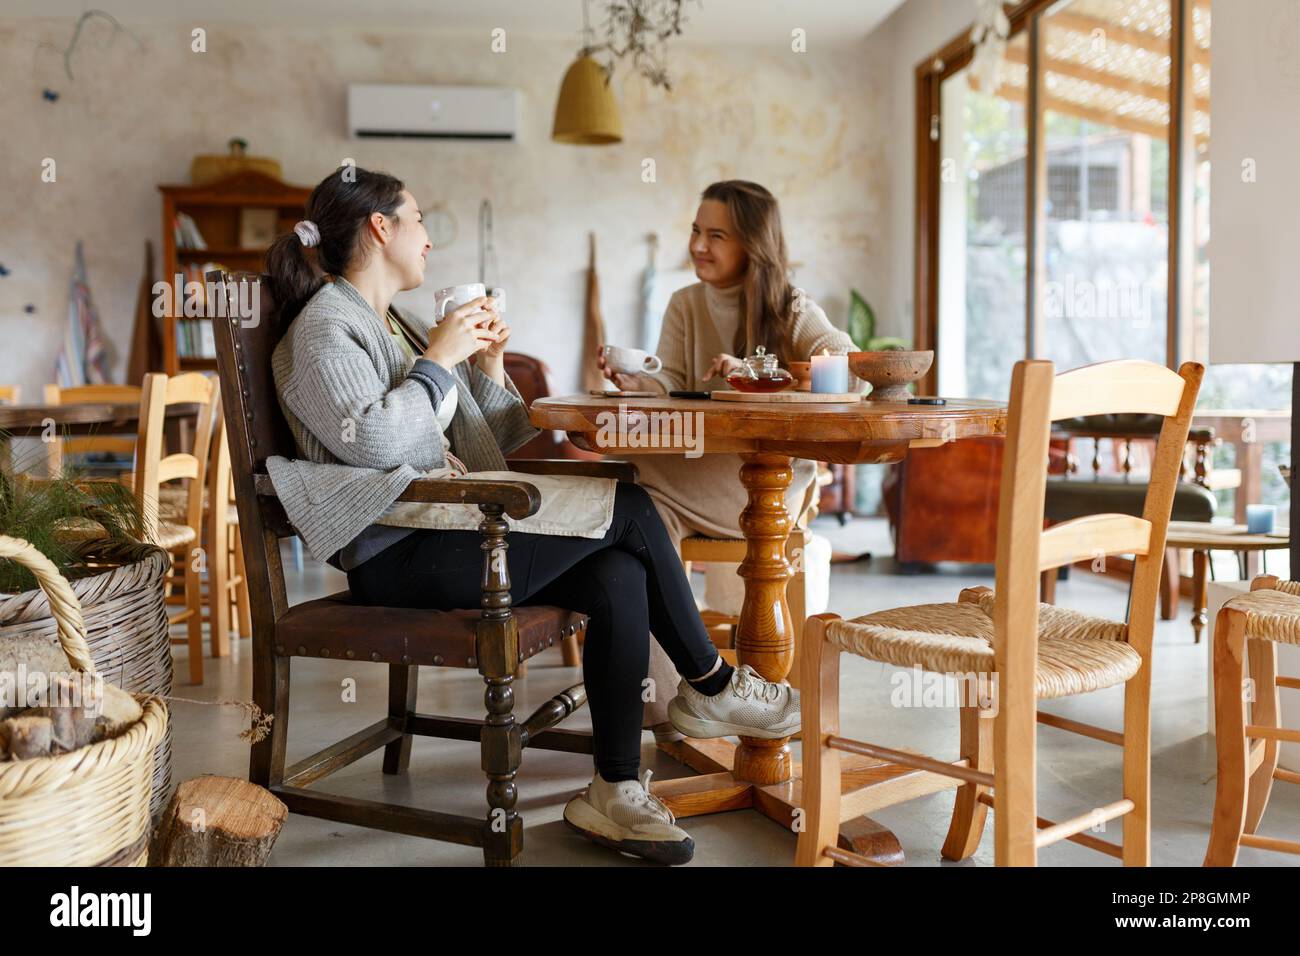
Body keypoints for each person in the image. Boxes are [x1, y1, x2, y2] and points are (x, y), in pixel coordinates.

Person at [264, 165, 800, 866]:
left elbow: (492, 442)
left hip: (443, 530)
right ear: (380, 227)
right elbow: (370, 441)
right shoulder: (325, 328)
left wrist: (483, 361)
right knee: (632, 507)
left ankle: (612, 788)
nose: (427, 238)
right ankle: (713, 685)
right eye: (419, 219)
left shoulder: (394, 323)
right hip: (396, 554)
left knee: (616, 571)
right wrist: (436, 362)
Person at [597, 180, 859, 737]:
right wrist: (639, 381)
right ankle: (669, 709)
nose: (699, 245)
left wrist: (803, 369)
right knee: (639, 529)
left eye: (717, 235)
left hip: (766, 486)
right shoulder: (683, 303)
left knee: (624, 478)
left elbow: (848, 363)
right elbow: (670, 379)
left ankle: (704, 696)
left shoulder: (787, 304)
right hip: (687, 477)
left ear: (753, 246)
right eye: (696, 231)